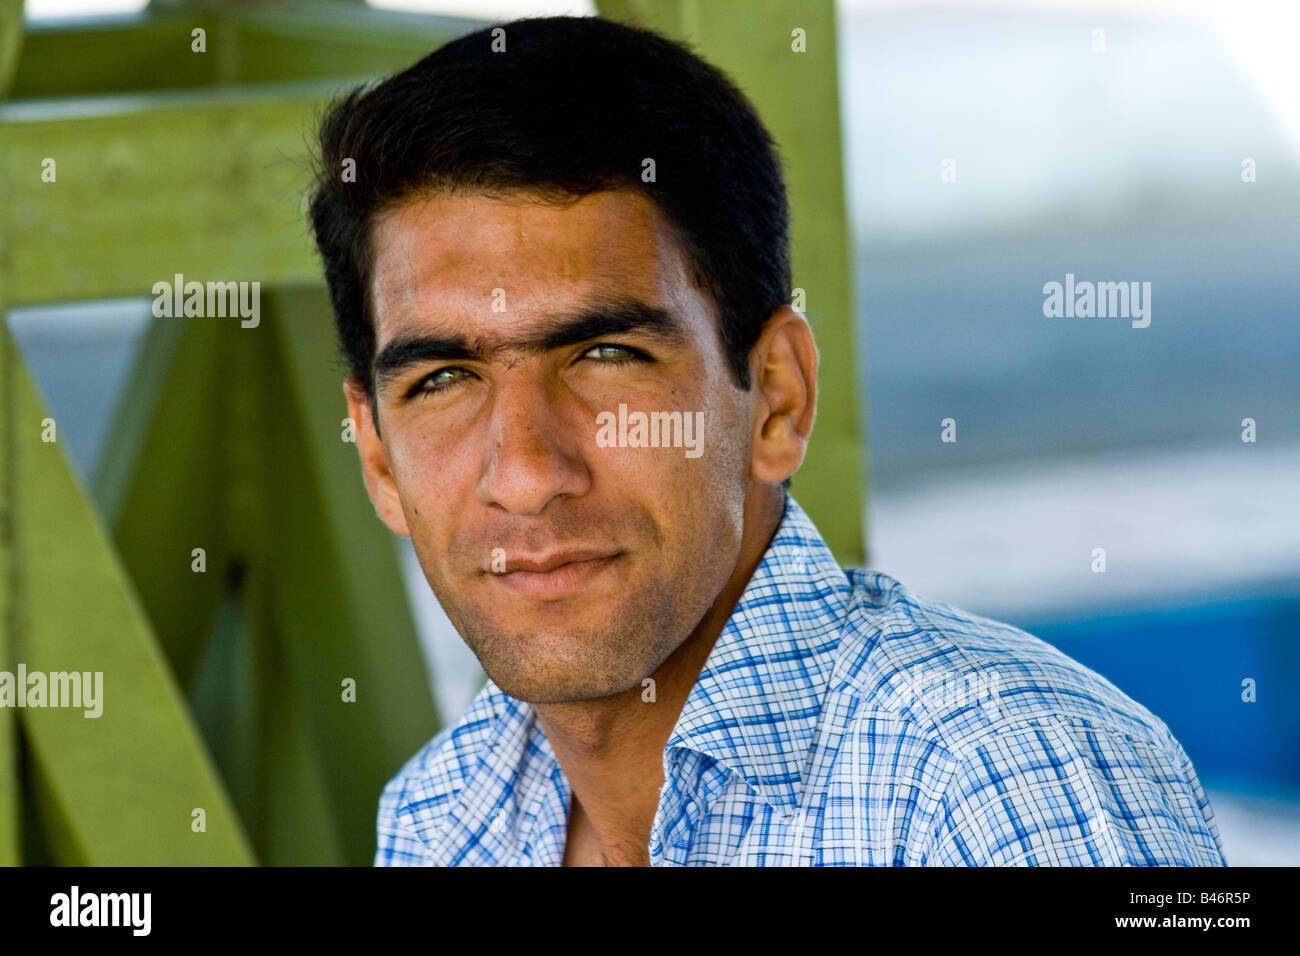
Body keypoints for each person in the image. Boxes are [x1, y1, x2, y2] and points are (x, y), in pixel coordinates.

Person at [307, 15, 1226, 866]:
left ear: (777, 398)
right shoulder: (442, 816)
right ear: (379, 458)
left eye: (607, 355)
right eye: (442, 380)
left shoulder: (1001, 786)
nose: (527, 474)